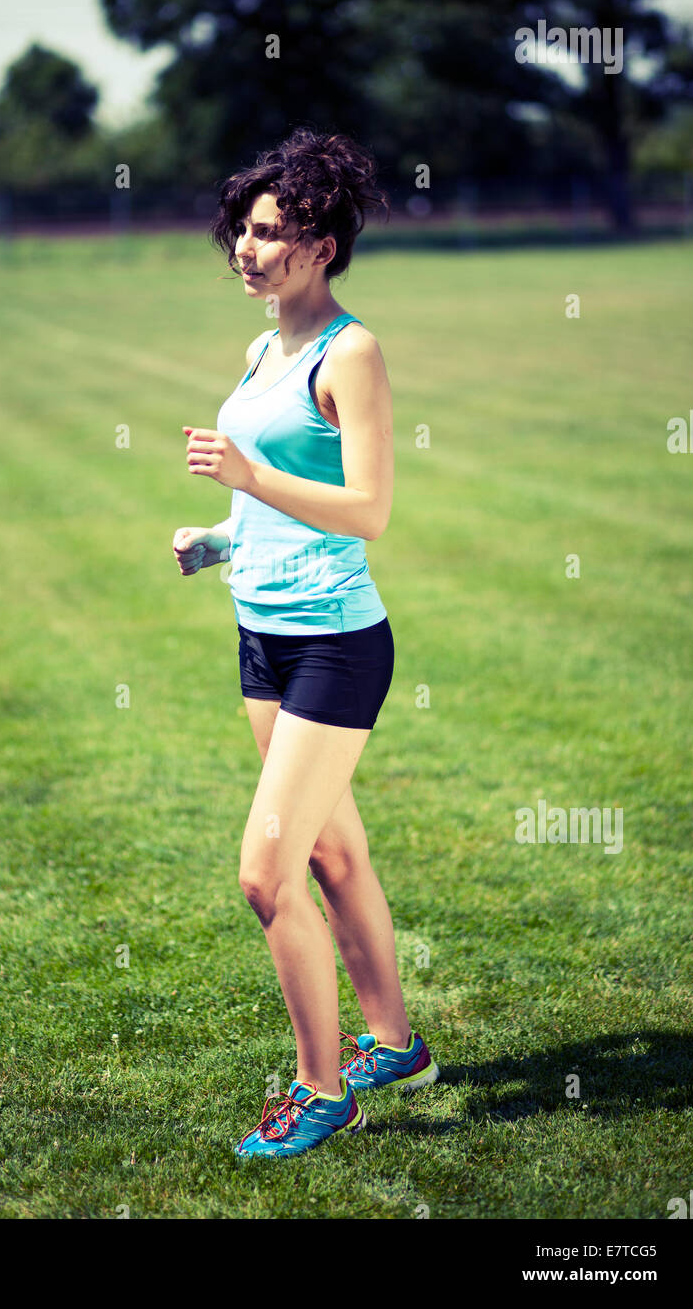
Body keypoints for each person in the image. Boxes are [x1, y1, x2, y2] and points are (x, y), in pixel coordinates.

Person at [173, 127, 439, 1160]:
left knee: (266, 874)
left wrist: (247, 479)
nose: (248, 248)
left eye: (272, 233)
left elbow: (366, 508)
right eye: (242, 229)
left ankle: (320, 1091)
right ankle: (392, 1043)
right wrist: (220, 539)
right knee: (330, 849)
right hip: (261, 635)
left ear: (324, 244)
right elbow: (286, 504)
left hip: (333, 642)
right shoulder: (261, 348)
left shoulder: (350, 350)